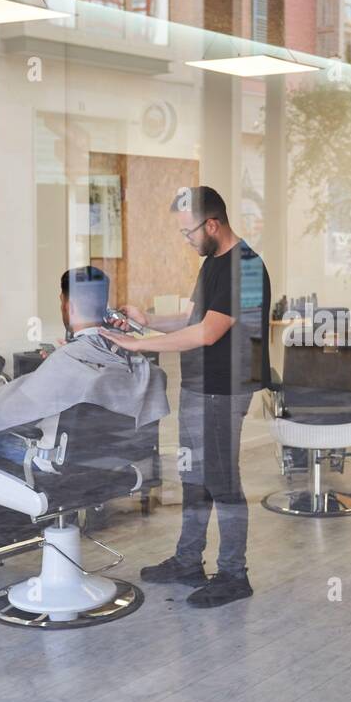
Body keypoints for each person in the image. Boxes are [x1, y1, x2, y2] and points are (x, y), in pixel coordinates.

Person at [101, 186, 270, 609]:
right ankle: (187, 561)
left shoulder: (245, 267)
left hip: (224, 388)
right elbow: (195, 318)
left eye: (188, 232)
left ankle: (234, 574)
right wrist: (146, 321)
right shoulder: (214, 262)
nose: (187, 240)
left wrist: (140, 346)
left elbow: (208, 333)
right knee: (194, 478)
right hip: (198, 384)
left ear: (212, 224)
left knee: (222, 481)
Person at [0, 266, 169, 533]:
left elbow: (17, 404)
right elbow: (104, 389)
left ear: (68, 305)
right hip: (109, 459)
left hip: (59, 461)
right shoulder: (127, 355)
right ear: (105, 306)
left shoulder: (68, 360)